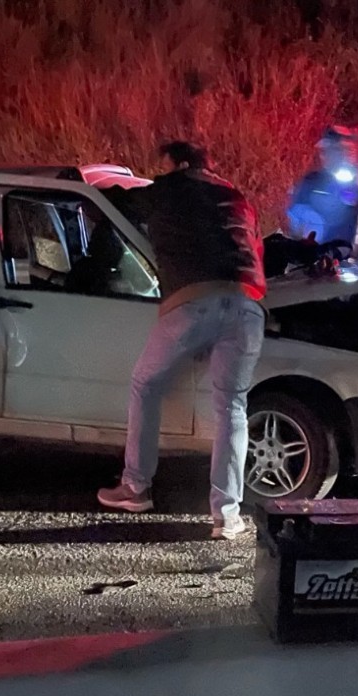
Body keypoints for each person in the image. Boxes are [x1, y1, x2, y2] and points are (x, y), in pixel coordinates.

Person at [98, 142, 267, 540]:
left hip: (192, 304)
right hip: (248, 306)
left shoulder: (168, 189)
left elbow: (115, 202)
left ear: (177, 164)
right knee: (232, 408)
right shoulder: (235, 196)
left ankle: (135, 487)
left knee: (145, 383)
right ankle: (227, 516)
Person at [287, 125, 358, 262]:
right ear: (324, 153)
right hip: (311, 260)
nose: (343, 155)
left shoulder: (357, 186)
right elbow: (293, 217)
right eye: (336, 149)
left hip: (344, 262)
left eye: (348, 150)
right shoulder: (311, 182)